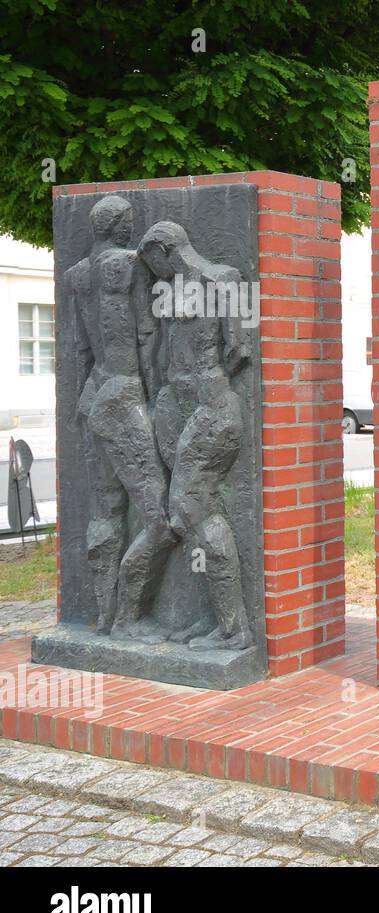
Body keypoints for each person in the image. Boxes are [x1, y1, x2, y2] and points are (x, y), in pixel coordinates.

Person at [138, 220, 255, 651]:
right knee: (186, 515)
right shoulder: (169, 291)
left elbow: (239, 350)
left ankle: (235, 629)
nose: (150, 273)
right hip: (178, 407)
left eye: (151, 262)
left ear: (162, 251)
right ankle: (210, 619)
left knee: (189, 509)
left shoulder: (223, 279)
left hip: (211, 406)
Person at [64, 195, 174, 636]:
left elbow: (80, 348)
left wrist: (81, 404)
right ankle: (128, 618)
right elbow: (146, 336)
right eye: (127, 221)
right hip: (125, 394)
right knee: (161, 516)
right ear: (119, 226)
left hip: (94, 395)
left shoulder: (77, 275)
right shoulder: (126, 265)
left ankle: (104, 615)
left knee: (106, 510)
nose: (132, 227)